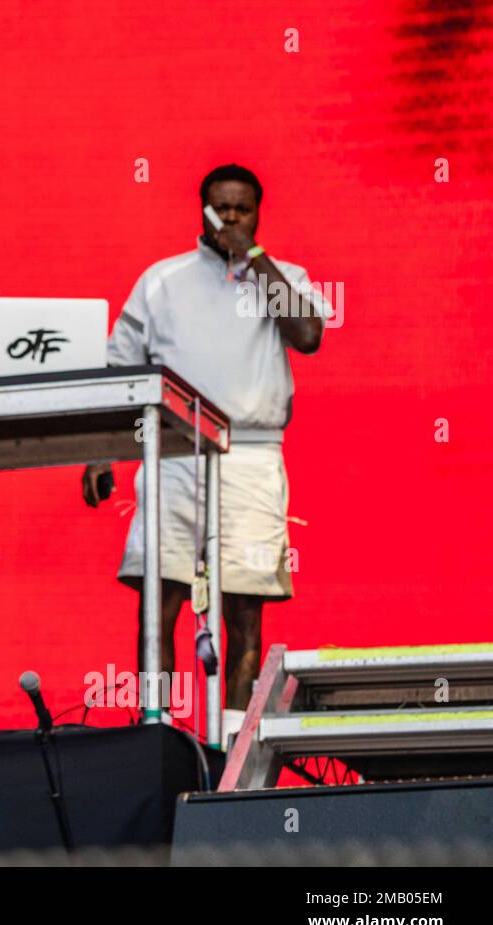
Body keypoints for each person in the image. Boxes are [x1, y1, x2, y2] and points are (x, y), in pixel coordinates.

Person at [81, 163, 332, 741]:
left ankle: (238, 742)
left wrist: (254, 257)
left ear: (258, 214)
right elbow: (119, 370)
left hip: (250, 456)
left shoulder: (282, 276)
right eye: (221, 209)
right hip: (171, 455)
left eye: (242, 209)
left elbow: (309, 336)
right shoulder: (163, 280)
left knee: (245, 609)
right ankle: (157, 732)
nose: (231, 219)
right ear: (201, 210)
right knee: (159, 603)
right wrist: (101, 453)